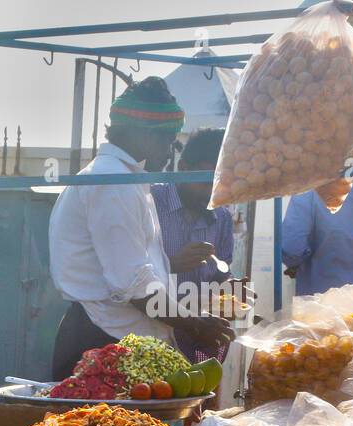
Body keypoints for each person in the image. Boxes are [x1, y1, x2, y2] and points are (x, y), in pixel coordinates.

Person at [49, 77, 233, 380]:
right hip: (102, 340)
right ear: (142, 135)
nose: (169, 150)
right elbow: (134, 286)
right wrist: (195, 325)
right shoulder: (112, 183)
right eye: (167, 139)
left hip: (118, 337)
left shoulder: (124, 179)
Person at [151, 127, 239, 363]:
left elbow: (222, 272)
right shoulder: (151, 204)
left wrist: (232, 289)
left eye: (220, 184)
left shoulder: (221, 217)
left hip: (203, 335)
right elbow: (128, 275)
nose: (211, 193)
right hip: (155, 333)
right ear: (184, 169)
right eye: (205, 182)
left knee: (202, 396)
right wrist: (171, 264)